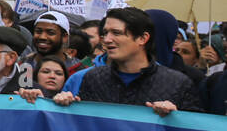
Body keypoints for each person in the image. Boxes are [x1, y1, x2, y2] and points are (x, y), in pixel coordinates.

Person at [53, 8, 201, 115]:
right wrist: (65, 106)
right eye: (105, 33)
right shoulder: (93, 78)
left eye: (116, 33)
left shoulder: (177, 83)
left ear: (142, 38)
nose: (107, 40)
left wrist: (176, 117)